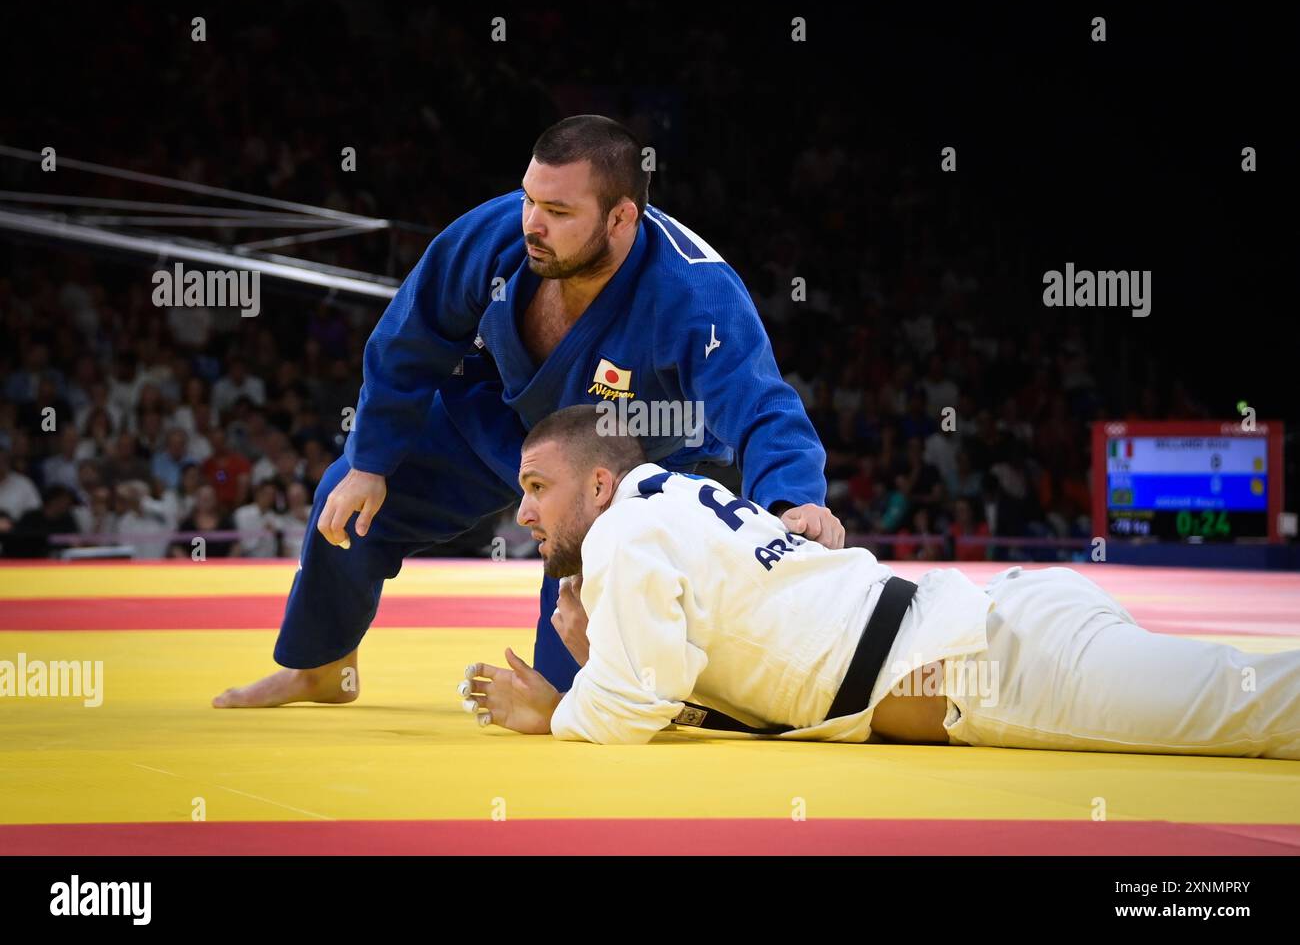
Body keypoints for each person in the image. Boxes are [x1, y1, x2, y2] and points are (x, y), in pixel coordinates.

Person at [213, 115, 842, 709]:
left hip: (633, 462)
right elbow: (409, 340)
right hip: (506, 417)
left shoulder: (692, 293)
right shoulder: (494, 238)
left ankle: (580, 688)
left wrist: (791, 503)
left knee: (570, 676)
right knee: (348, 500)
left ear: (622, 217)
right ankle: (323, 667)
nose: (531, 223)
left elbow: (763, 407)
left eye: (558, 211)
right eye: (528, 199)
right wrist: (370, 461)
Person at [461, 405, 1300, 759]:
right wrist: (602, 647)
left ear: (599, 485)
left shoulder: (624, 535)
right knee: (1236, 692)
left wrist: (553, 712)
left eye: (539, 488)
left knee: (1253, 708)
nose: (526, 513)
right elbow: (692, 679)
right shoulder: (676, 500)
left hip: (988, 663)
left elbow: (632, 709)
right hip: (987, 625)